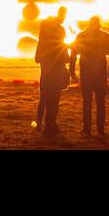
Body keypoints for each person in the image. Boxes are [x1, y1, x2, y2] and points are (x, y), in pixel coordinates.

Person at [71, 16, 109, 135]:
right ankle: (100, 129)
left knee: (87, 101)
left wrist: (71, 69)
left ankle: (87, 128)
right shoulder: (105, 36)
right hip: (100, 73)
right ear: (98, 23)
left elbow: (73, 53)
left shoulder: (81, 35)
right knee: (100, 102)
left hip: (86, 72)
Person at [34, 7, 70, 135]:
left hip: (45, 72)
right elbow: (65, 58)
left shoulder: (43, 38)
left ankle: (39, 124)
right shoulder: (59, 36)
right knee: (54, 100)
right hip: (56, 73)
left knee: (43, 98)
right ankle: (50, 125)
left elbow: (37, 58)